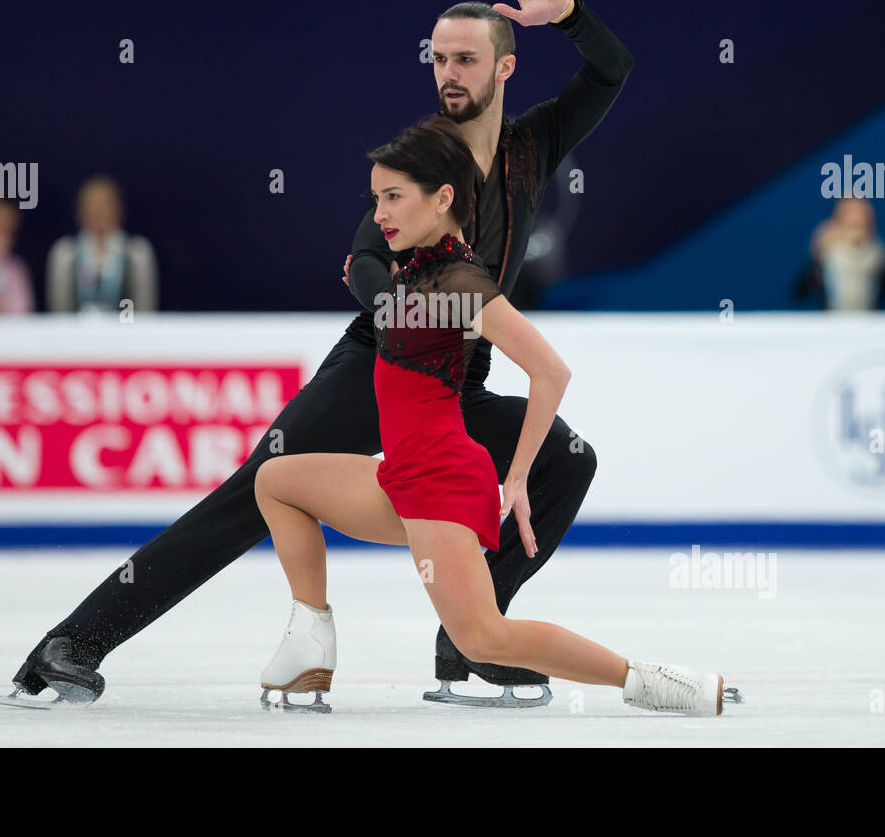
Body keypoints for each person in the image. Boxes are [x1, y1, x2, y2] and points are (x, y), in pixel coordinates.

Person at [0, 0, 633, 710]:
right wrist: (401, 315)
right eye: (439, 59)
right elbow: (366, 258)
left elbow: (610, 70)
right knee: (248, 495)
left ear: (504, 68)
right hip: (379, 369)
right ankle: (73, 644)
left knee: (569, 459)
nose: (449, 73)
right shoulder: (421, 158)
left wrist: (568, 15)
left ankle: (474, 644)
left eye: (466, 58)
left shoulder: (534, 146)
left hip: (457, 390)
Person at [257, 118, 735, 715]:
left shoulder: (462, 282)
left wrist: (517, 478)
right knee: (276, 481)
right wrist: (373, 282)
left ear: (443, 198)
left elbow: (551, 372)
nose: (379, 214)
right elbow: (396, 305)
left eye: (394, 197)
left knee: (482, 637)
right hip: (399, 477)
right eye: (376, 198)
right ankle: (311, 646)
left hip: (437, 480)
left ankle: (656, 682)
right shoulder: (419, 269)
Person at [46, 175, 158, 313]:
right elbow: (60, 311)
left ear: (118, 210)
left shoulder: (137, 252)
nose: (99, 212)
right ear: (80, 212)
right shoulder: (65, 253)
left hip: (126, 331)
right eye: (92, 206)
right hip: (76, 333)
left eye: (105, 205)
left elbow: (144, 310)